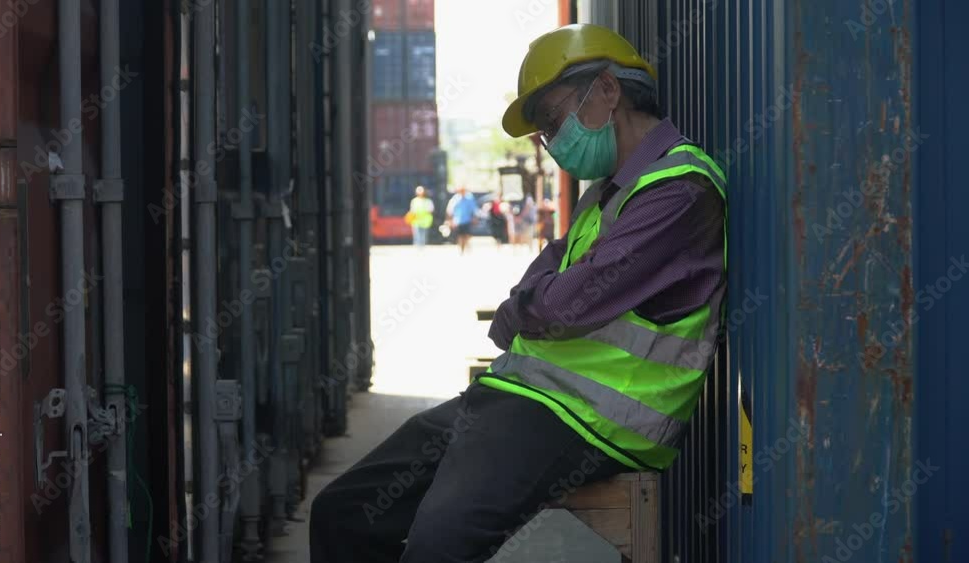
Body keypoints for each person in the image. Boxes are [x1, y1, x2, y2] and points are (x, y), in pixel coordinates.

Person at [310, 23, 728, 563]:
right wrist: (533, 302)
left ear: (607, 90)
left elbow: (561, 303)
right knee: (343, 512)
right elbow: (542, 281)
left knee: (441, 545)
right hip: (523, 398)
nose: (553, 145)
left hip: (589, 421)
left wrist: (530, 306)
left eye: (554, 122)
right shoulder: (608, 194)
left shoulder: (678, 191)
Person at [445, 186, 478, 255]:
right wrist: (450, 220)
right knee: (460, 235)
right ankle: (461, 249)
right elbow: (450, 210)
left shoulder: (469, 198)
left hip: (467, 220)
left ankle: (466, 245)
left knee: (467, 235)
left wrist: (474, 218)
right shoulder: (455, 199)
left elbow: (474, 209)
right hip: (458, 221)